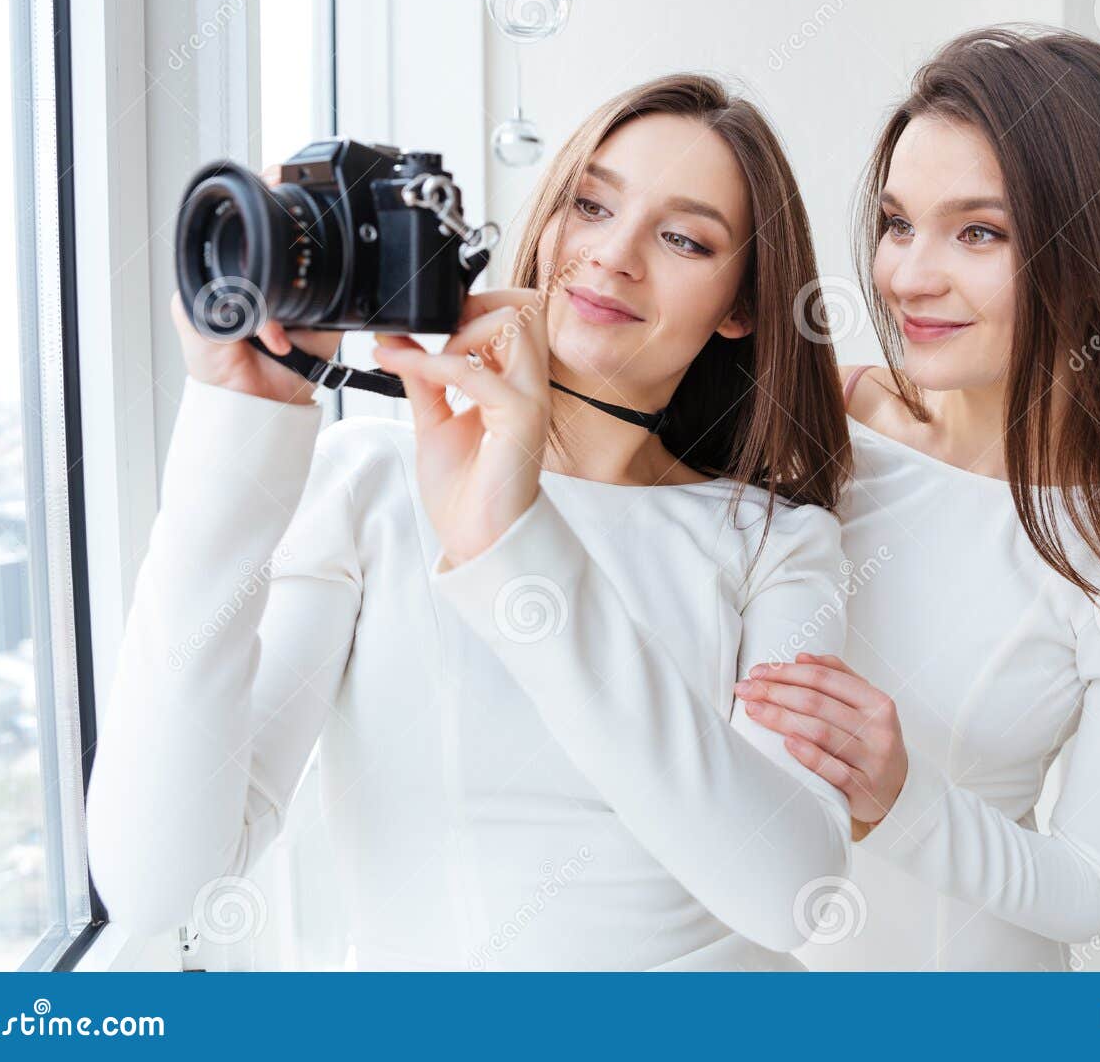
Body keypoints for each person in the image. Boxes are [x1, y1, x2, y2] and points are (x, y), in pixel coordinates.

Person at [85, 74, 857, 970]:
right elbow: (156, 882)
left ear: (744, 306)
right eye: (591, 204)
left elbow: (796, 897)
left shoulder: (775, 540)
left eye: (682, 237)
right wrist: (236, 421)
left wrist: (512, 546)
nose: (611, 255)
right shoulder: (370, 484)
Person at [737, 26, 1100, 969]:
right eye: (899, 223)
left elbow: (1094, 884)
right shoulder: (816, 426)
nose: (909, 275)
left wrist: (903, 799)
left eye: (978, 231)